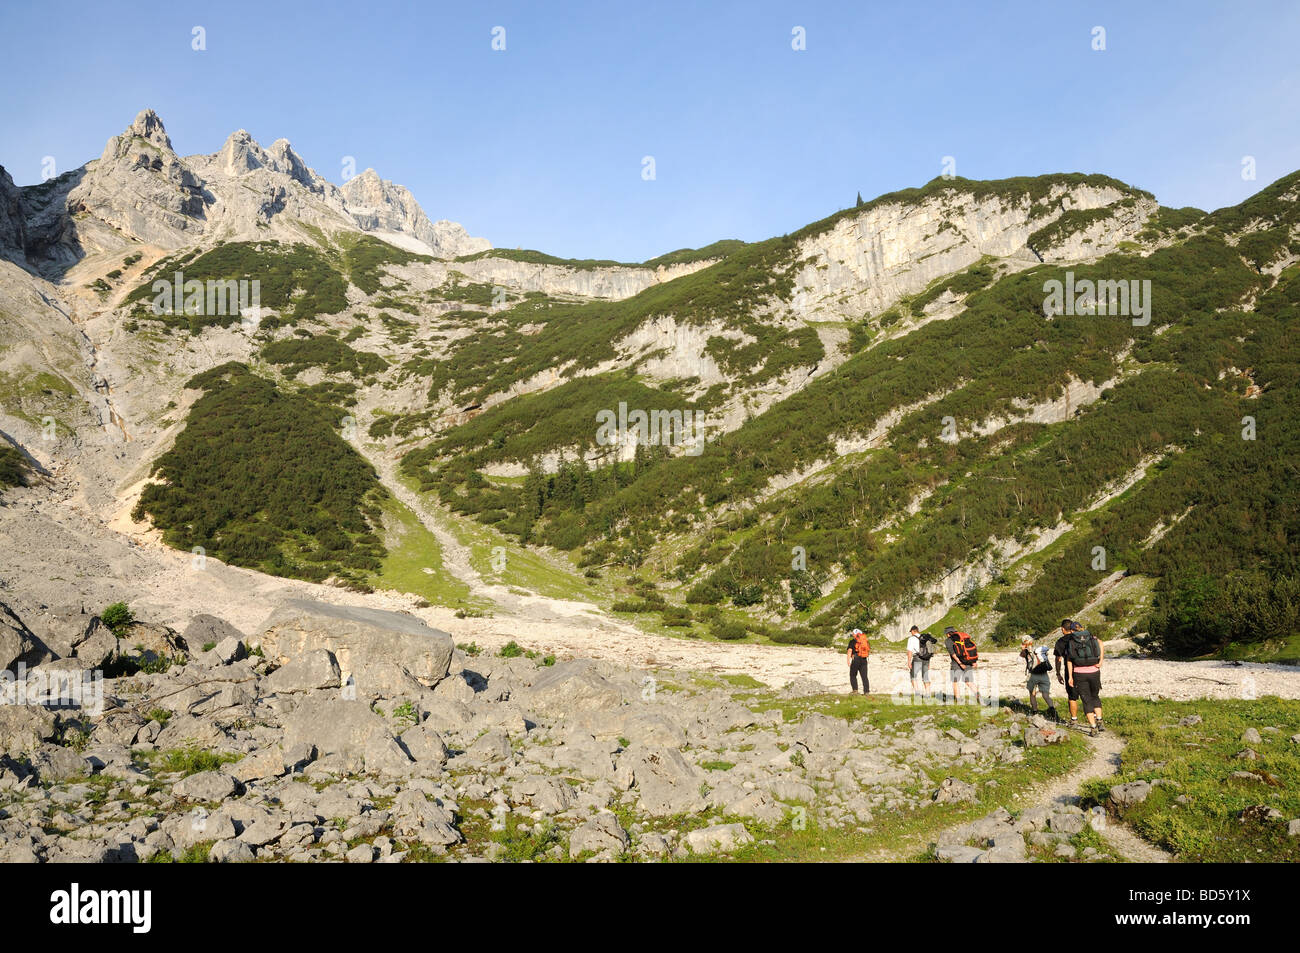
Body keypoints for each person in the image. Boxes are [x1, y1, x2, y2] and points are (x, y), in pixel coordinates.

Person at [1063, 620, 1105, 735]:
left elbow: (1069, 660)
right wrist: (1100, 661)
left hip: (1079, 674)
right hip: (1094, 671)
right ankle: (1100, 720)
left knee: (1086, 700)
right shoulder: (1091, 637)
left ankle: (1093, 727)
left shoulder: (1071, 641)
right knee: (1095, 696)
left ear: (1071, 630)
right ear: (1082, 628)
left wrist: (1070, 676)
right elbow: (1101, 643)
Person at [1019, 636, 1057, 718]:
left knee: (1032, 694)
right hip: (1044, 674)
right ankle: (1053, 711)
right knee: (1046, 695)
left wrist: (1023, 648)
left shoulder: (1026, 651)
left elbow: (1020, 658)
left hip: (1033, 675)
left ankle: (1035, 712)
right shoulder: (1040, 649)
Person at [1053, 621, 1080, 728]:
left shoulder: (1060, 641)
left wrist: (1058, 673)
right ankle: (1096, 719)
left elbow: (1058, 659)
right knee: (1087, 695)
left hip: (1070, 671)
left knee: (1072, 696)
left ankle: (1074, 720)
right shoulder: (1079, 637)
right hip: (1085, 668)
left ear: (1063, 629)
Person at [943, 626, 980, 705]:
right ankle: (978, 696)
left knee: (955, 682)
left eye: (946, 634)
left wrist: (960, 663)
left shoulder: (948, 641)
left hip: (956, 664)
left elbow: (953, 654)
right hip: (968, 661)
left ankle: (958, 700)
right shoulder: (963, 638)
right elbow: (970, 650)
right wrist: (973, 661)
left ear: (948, 634)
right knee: (969, 681)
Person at [906, 625, 935, 699]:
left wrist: (909, 661)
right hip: (926, 659)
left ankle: (917, 694)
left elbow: (909, 651)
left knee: (913, 676)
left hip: (917, 658)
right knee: (925, 676)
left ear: (913, 631)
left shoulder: (911, 638)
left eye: (911, 632)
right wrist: (929, 662)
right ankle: (928, 694)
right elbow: (929, 651)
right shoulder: (925, 638)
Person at [846, 627, 871, 695]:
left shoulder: (852, 641)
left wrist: (848, 660)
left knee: (853, 675)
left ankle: (855, 690)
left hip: (856, 659)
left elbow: (849, 651)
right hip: (864, 659)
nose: (852, 634)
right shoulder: (865, 641)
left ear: (856, 634)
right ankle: (866, 692)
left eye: (853, 633)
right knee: (864, 676)